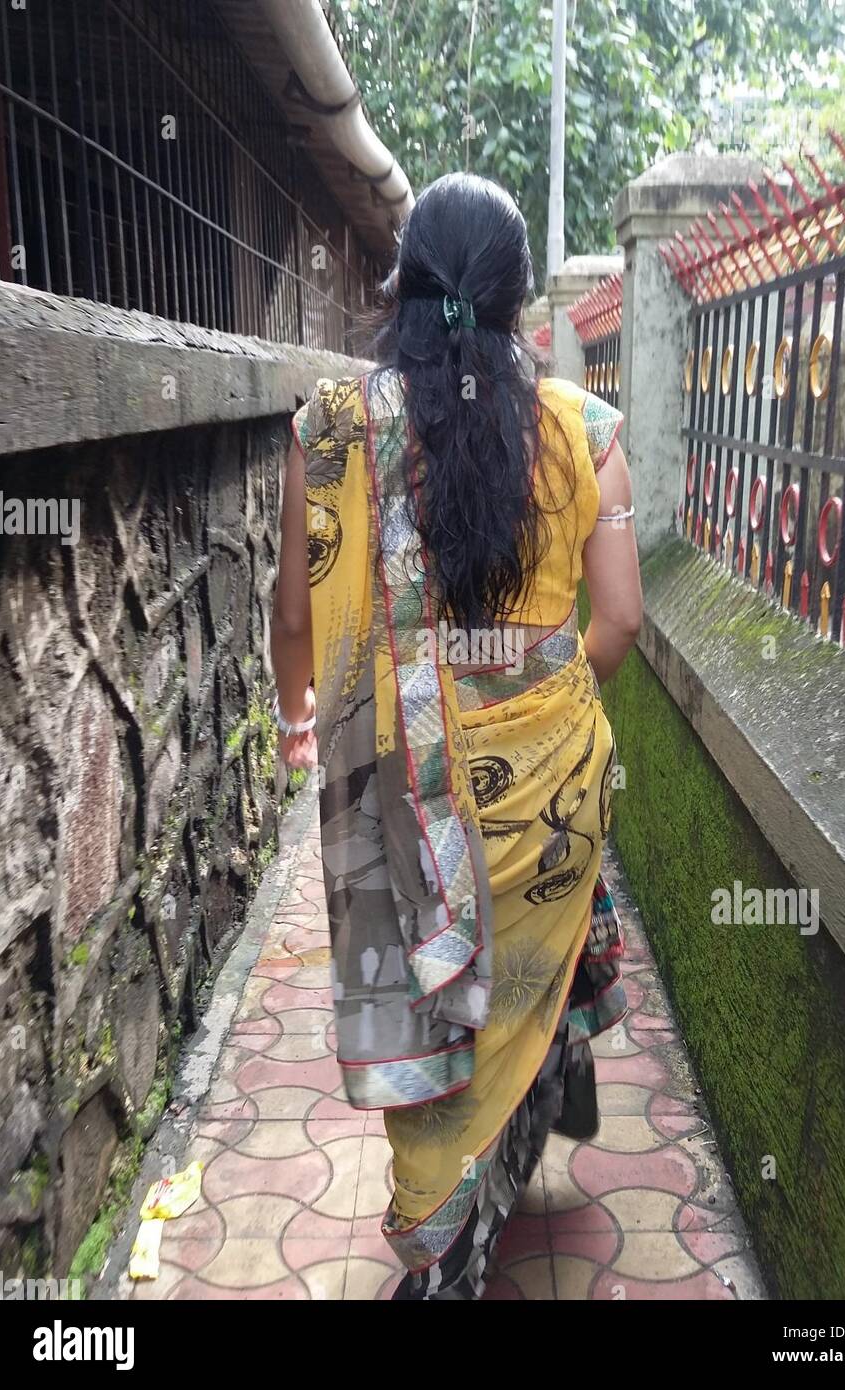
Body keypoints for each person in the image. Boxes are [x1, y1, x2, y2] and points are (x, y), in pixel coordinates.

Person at [269, 172, 642, 1300]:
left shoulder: (331, 434)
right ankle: (546, 1071)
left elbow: (295, 613)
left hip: (400, 787)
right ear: (519, 300)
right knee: (539, 935)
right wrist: (544, 714)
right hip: (551, 780)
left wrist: (298, 716)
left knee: (439, 998)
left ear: (400, 286)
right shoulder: (587, 432)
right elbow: (618, 620)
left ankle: (443, 1237)